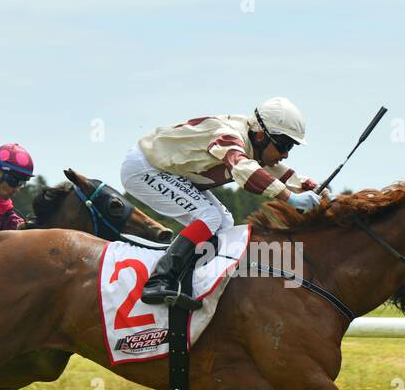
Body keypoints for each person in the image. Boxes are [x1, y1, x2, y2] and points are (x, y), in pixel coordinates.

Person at [121, 96, 323, 307]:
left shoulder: (252, 141)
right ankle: (159, 280)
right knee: (209, 217)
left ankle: (190, 283)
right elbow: (244, 170)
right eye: (283, 146)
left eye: (290, 147)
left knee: (225, 224)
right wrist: (289, 197)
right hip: (145, 168)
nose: (285, 154)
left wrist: (310, 187)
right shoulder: (229, 135)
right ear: (262, 136)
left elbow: (275, 170)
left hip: (169, 171)